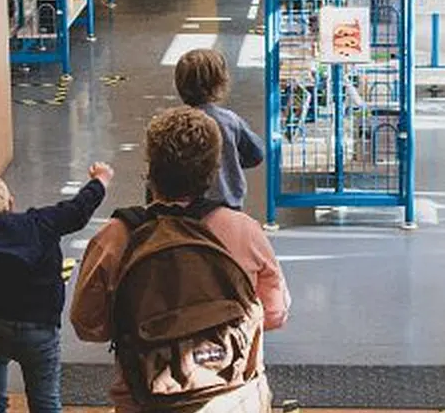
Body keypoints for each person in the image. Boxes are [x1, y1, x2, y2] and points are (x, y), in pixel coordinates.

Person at [71, 106, 290, 413]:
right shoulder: (245, 232)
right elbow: (275, 314)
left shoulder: (116, 236)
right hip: (231, 399)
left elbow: (87, 325)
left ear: (151, 168)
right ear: (212, 172)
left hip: (145, 401)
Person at [0, 165, 114, 413]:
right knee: (45, 402)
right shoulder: (40, 222)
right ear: (10, 202)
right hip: (40, 333)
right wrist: (99, 181)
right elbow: (78, 211)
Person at [173, 48, 265, 209]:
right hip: (227, 205)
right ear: (220, 83)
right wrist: (230, 159)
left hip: (186, 211)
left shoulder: (174, 124)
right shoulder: (229, 121)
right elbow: (256, 154)